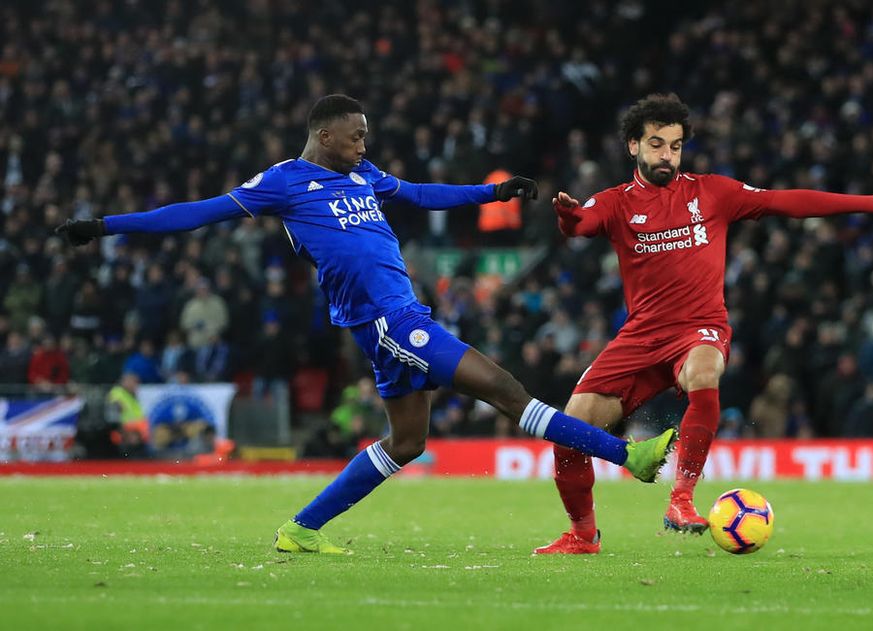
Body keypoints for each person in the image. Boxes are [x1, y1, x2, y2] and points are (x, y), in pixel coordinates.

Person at [56, 94, 677, 554]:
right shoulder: (283, 183)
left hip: (398, 316)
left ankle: (301, 529)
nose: (364, 145)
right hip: (387, 321)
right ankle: (630, 455)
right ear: (324, 134)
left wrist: (494, 195)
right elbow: (194, 213)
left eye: (366, 136)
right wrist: (107, 225)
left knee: (407, 442)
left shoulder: (364, 176)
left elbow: (421, 194)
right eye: (355, 136)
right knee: (506, 389)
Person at [537, 93, 873, 554]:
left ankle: (682, 499)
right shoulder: (617, 202)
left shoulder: (712, 192)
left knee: (705, 370)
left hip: (700, 328)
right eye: (656, 144)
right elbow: (584, 220)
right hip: (641, 337)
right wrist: (570, 219)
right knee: (568, 434)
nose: (666, 155)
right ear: (633, 146)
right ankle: (583, 535)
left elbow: (783, 201)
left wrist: (868, 203)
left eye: (674, 146)